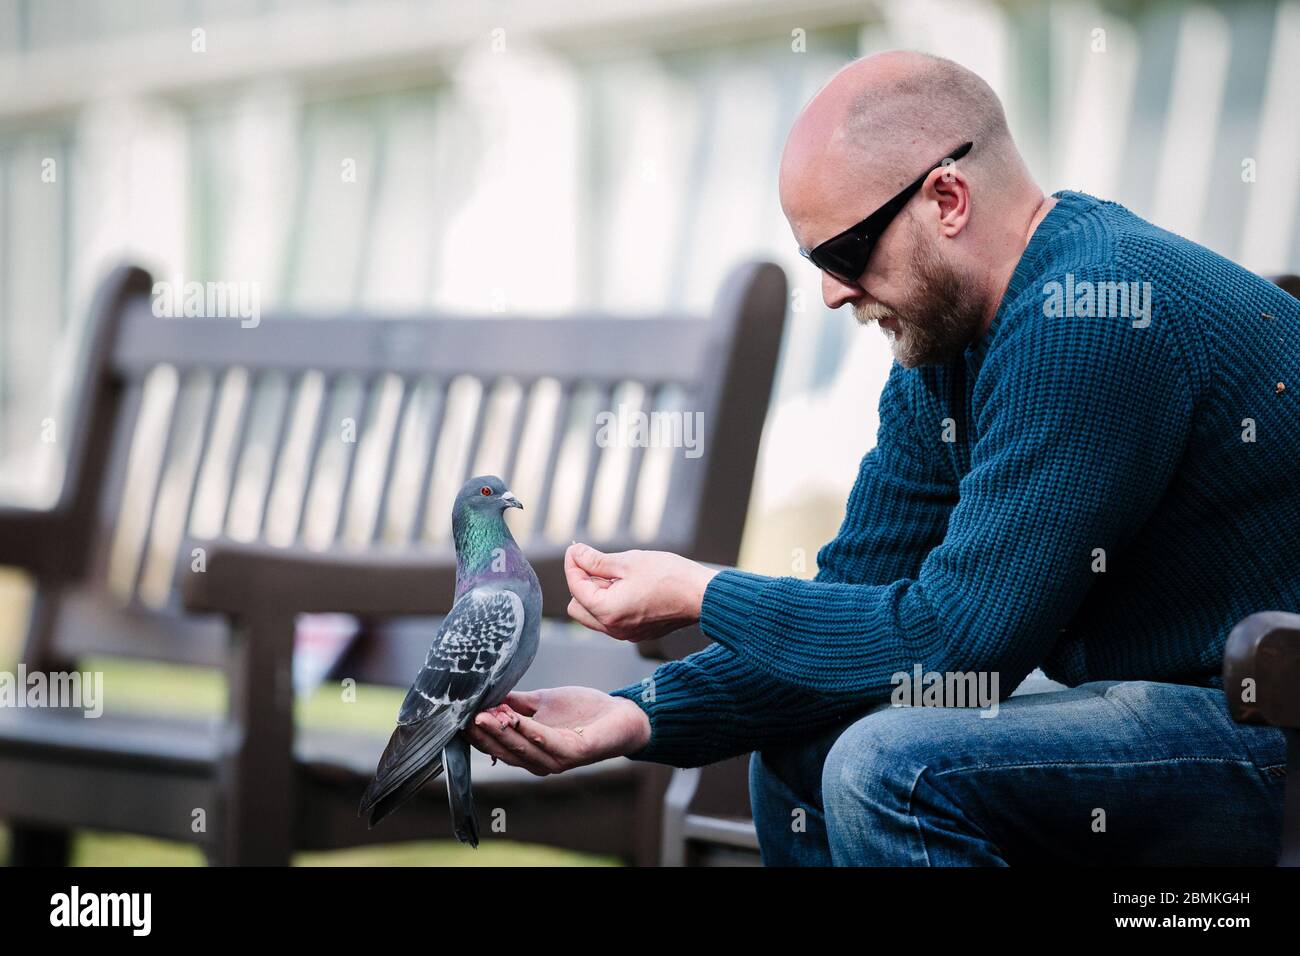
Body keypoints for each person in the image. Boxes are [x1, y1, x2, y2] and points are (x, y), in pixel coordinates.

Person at [466, 50, 1296, 865]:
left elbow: (957, 644)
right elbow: (859, 616)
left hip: (1270, 720)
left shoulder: (1091, 315)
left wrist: (700, 591)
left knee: (891, 769)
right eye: (815, 262)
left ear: (947, 197)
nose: (832, 291)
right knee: (804, 754)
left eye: (846, 252)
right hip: (1177, 712)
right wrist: (639, 713)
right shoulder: (945, 355)